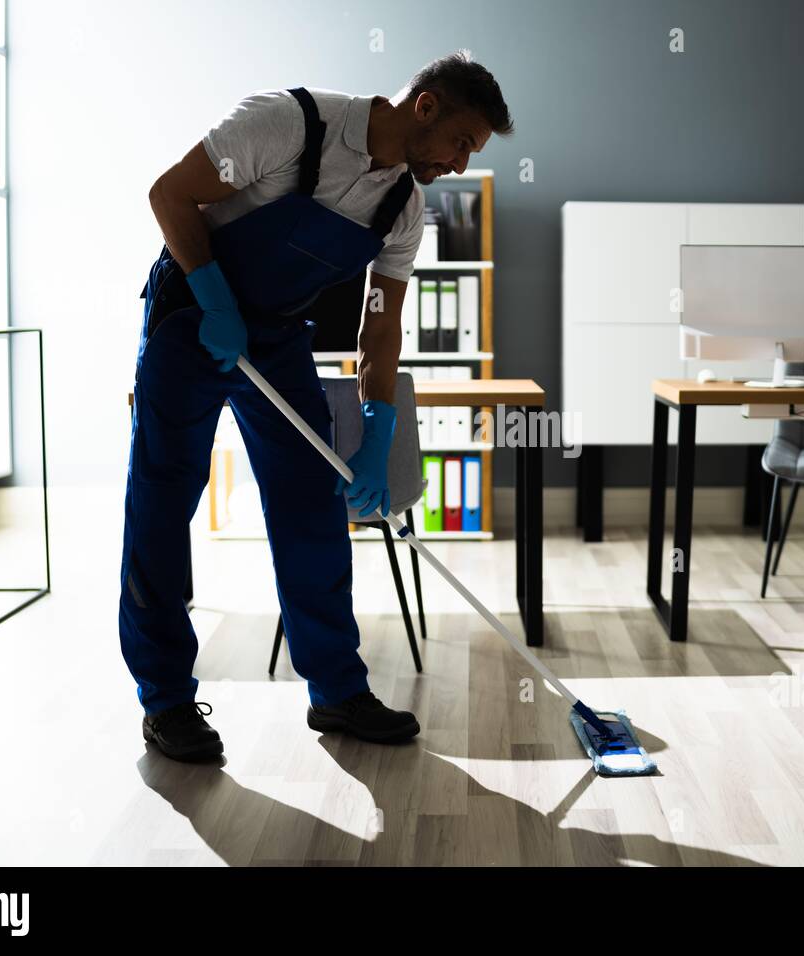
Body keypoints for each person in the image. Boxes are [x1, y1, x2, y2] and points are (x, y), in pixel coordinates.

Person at [120, 51, 513, 761]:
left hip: (272, 341)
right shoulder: (289, 123)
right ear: (425, 106)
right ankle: (166, 701)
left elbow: (381, 325)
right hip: (192, 322)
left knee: (311, 504)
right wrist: (212, 297)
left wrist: (377, 421)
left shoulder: (403, 208)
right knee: (161, 503)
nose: (459, 164)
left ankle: (336, 689)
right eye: (461, 143)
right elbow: (169, 194)